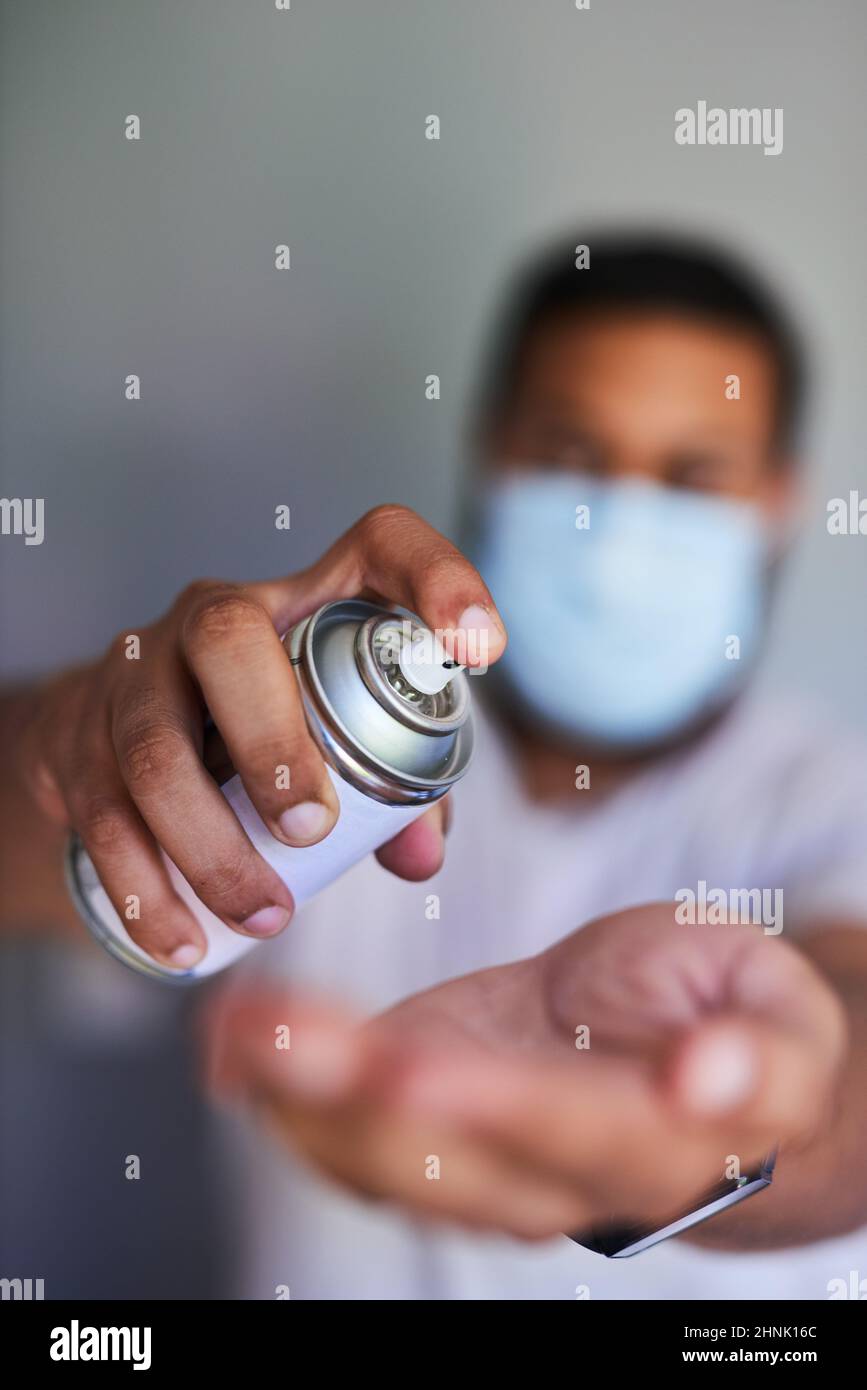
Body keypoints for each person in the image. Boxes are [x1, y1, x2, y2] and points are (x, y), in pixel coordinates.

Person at [3, 233, 867, 1301]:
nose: (621, 530)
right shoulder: (294, 734)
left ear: (780, 502)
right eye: (570, 456)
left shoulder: (834, 801)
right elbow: (54, 875)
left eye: (691, 477)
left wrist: (748, 1113)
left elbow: (855, 1056)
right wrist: (69, 742)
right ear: (491, 450)